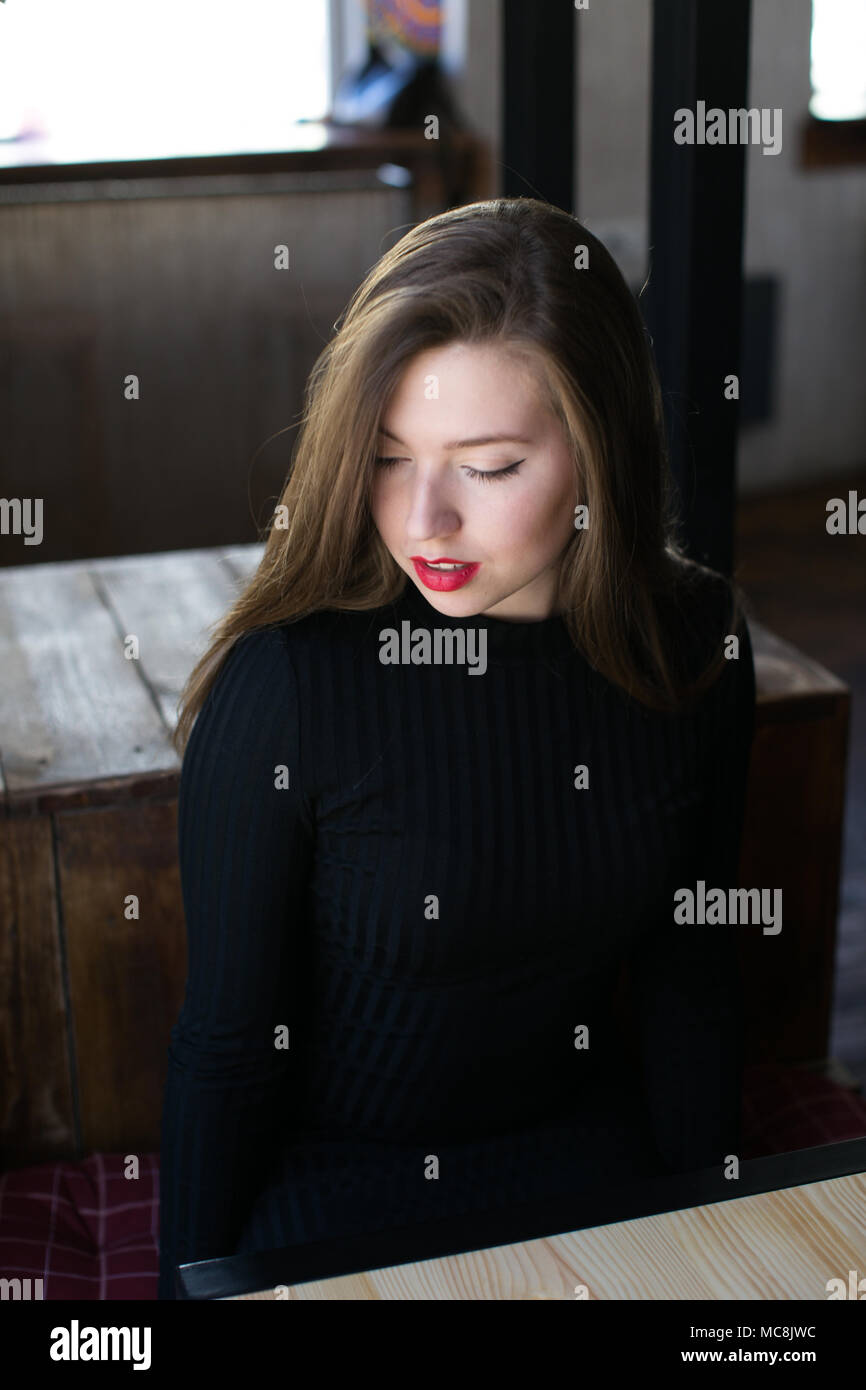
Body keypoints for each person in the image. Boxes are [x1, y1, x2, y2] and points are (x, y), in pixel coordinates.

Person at [157, 197, 756, 1300]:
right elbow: (227, 1045)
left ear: (597, 454)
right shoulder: (290, 683)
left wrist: (715, 1225)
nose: (422, 518)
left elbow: (689, 975)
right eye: (388, 457)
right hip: (336, 1187)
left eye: (484, 467)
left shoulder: (693, 645)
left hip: (581, 1154)